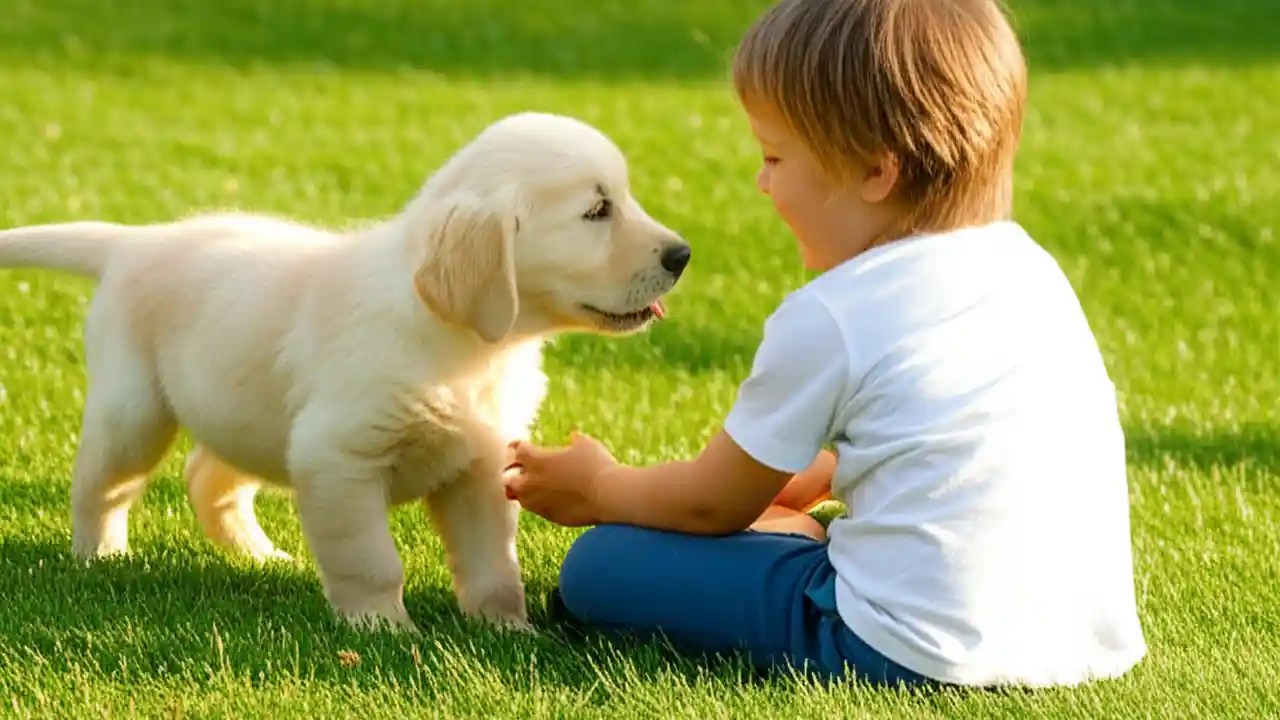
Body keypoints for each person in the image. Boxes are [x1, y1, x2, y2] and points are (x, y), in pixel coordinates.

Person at [504, 0, 1147, 688]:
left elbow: (709, 503)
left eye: (775, 156)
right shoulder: (1028, 273)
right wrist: (819, 476)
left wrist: (600, 487)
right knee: (770, 525)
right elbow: (945, 425)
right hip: (1079, 641)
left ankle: (794, 555)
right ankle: (801, 543)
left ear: (877, 172)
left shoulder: (833, 315)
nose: (762, 181)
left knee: (602, 566)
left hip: (898, 648)